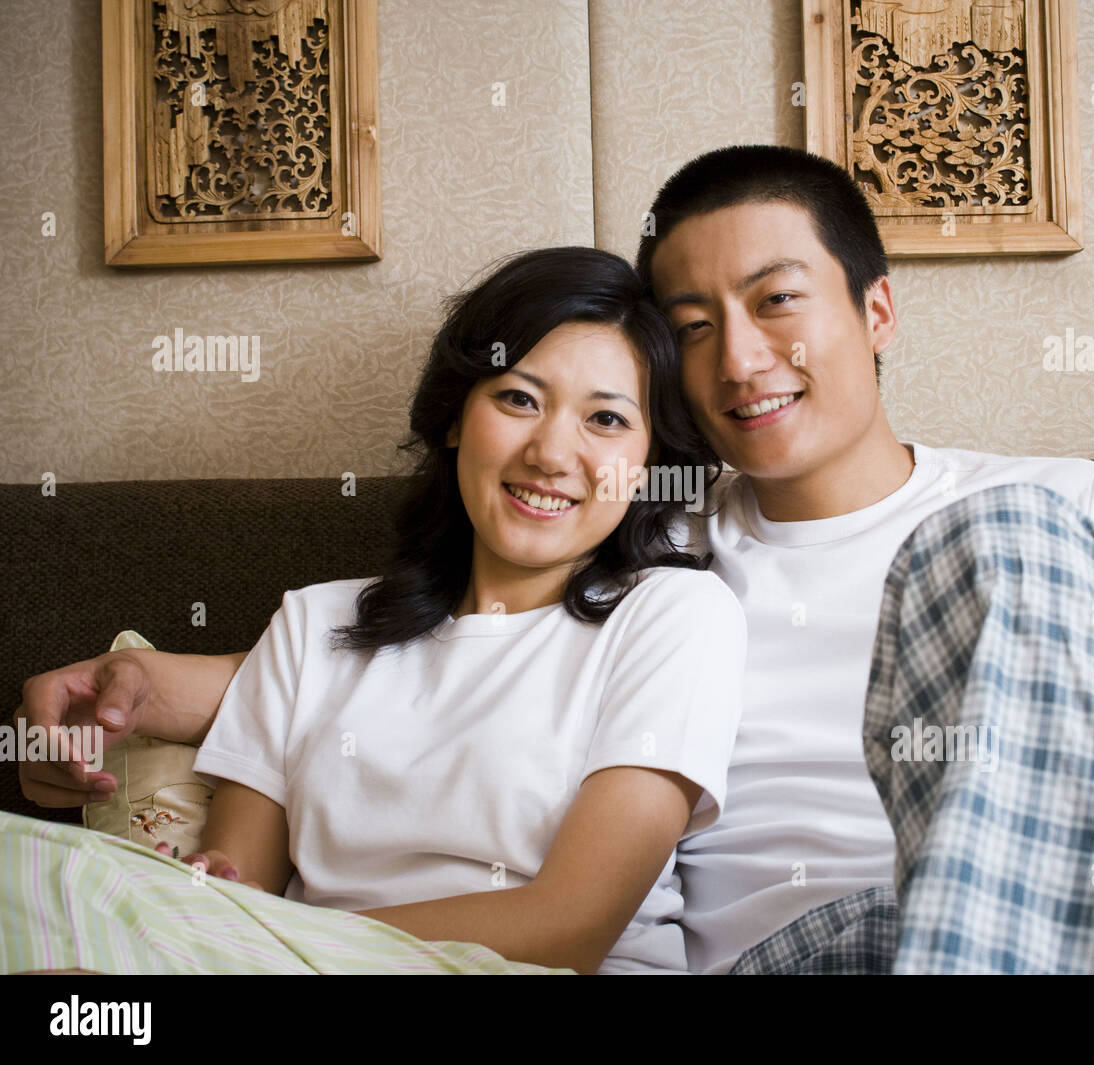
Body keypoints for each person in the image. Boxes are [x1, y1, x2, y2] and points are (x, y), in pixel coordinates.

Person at [18, 147, 1094, 974]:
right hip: (799, 960)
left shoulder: (1055, 507)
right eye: (693, 327)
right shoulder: (647, 546)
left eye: (777, 299)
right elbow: (411, 662)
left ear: (877, 308)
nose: (740, 358)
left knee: (1015, 542)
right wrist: (134, 690)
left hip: (1068, 944)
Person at [1, 246, 747, 976]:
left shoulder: (673, 618)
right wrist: (203, 900)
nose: (553, 452)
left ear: (650, 462)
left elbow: (568, 926)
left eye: (607, 420)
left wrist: (253, 938)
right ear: (456, 417)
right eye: (519, 398)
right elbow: (239, 883)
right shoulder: (310, 625)